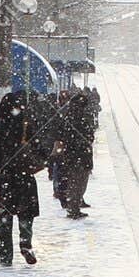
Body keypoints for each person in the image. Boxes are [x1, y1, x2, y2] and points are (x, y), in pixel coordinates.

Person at [0, 91, 50, 266]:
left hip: (4, 179)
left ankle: (5, 256)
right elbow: (43, 153)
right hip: (25, 178)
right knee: (26, 216)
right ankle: (26, 244)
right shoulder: (27, 129)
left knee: (4, 220)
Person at [51, 89, 96, 218]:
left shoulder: (67, 116)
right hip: (81, 155)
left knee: (73, 181)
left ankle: (73, 205)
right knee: (79, 183)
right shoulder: (81, 118)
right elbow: (89, 136)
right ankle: (74, 208)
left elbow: (60, 134)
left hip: (71, 155)